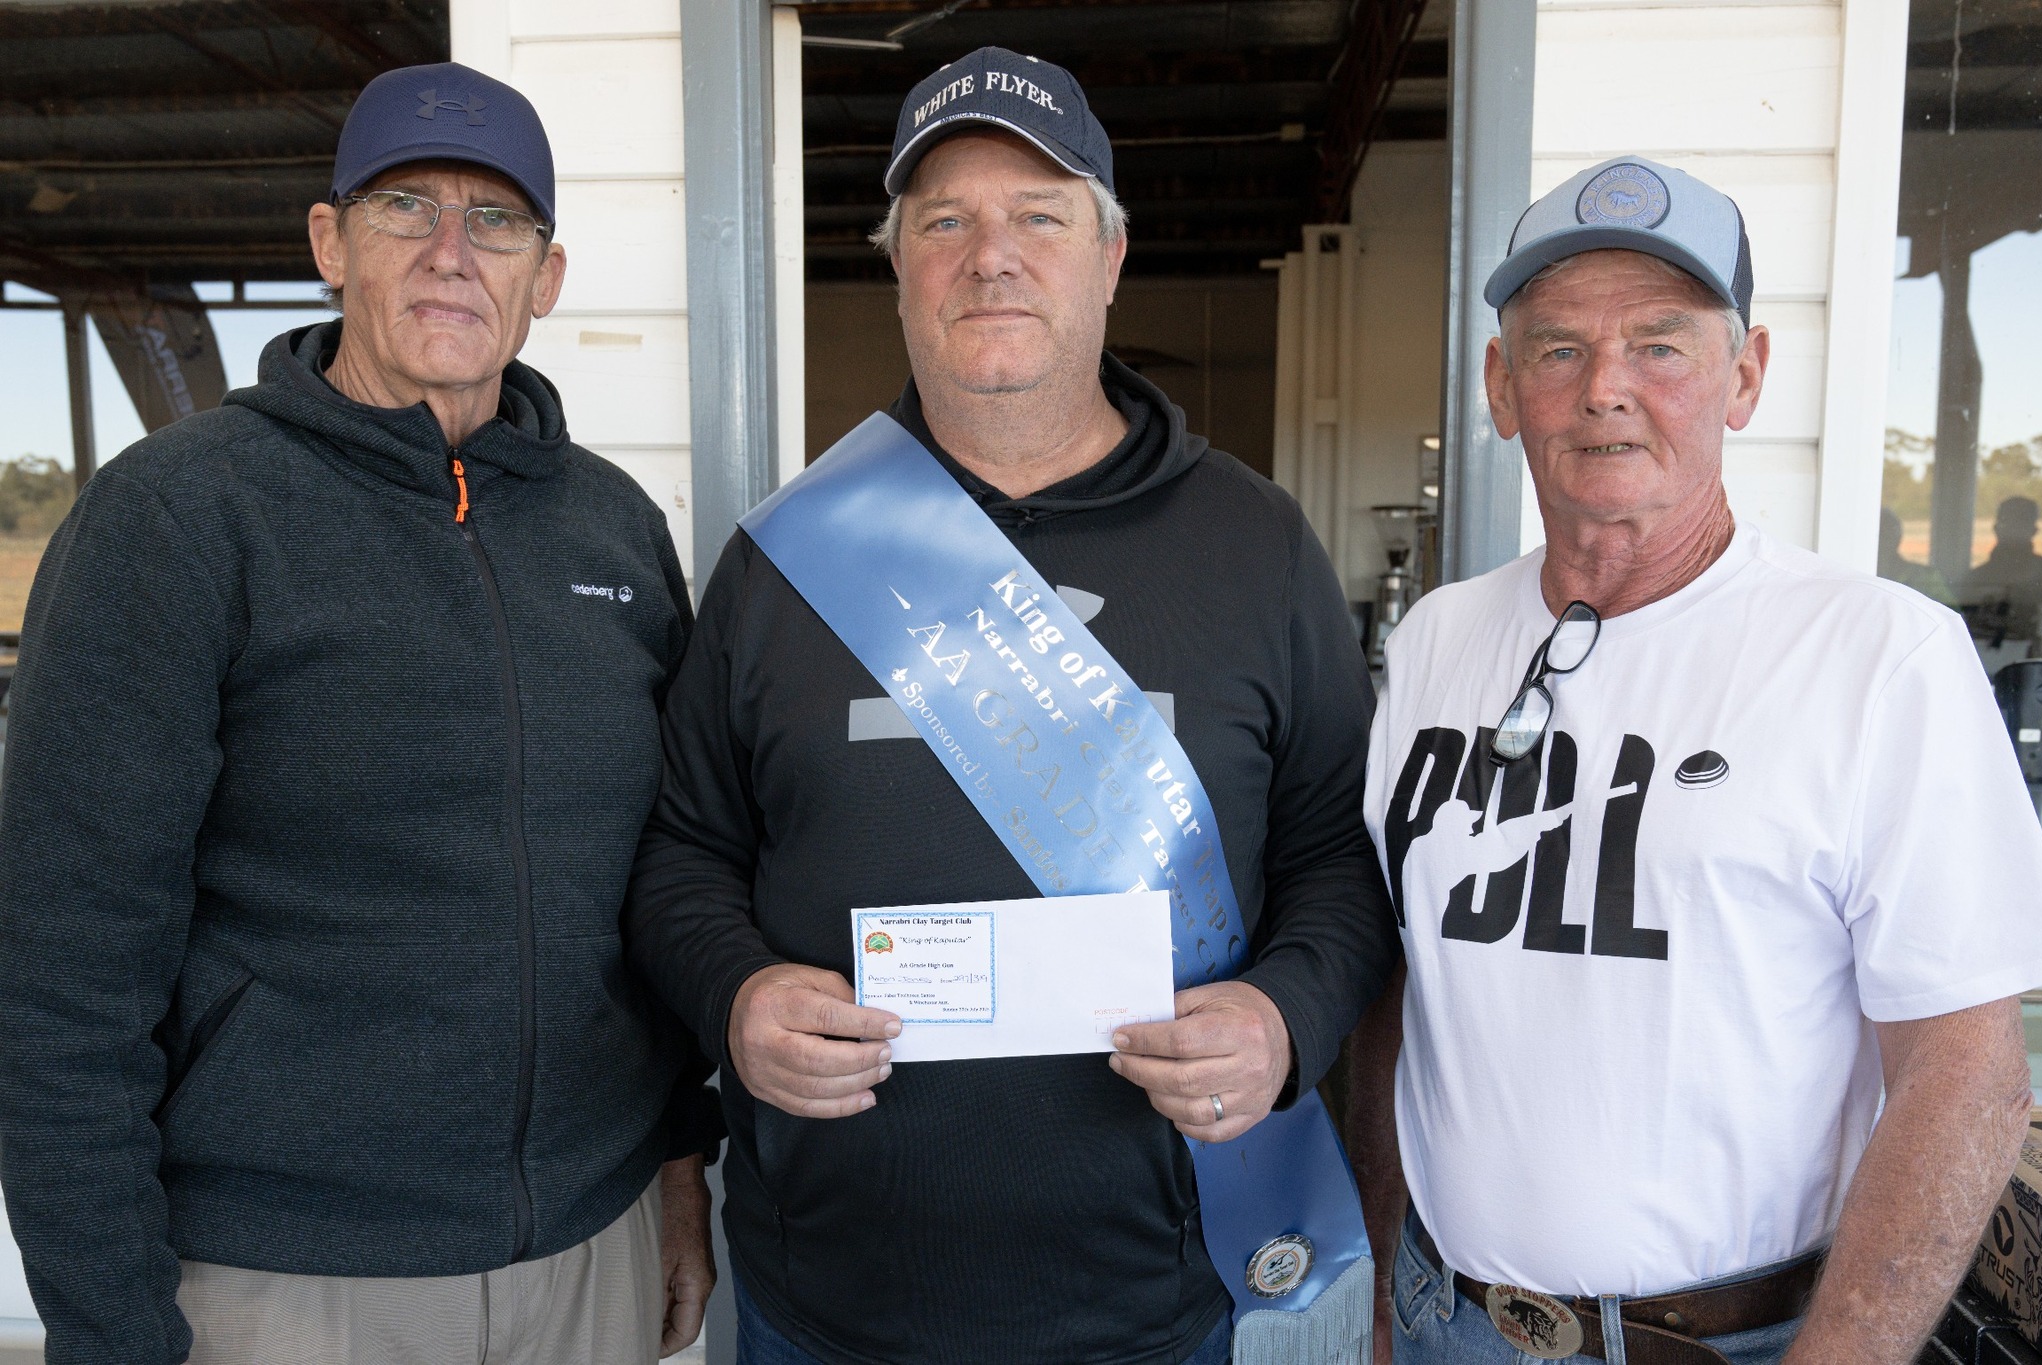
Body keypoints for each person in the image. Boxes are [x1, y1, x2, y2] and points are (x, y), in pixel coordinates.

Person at [627, 46, 1400, 1365]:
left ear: (1107, 258)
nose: (991, 254)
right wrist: (739, 994)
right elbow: (681, 854)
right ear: (901, 266)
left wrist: (1282, 1019)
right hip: (823, 1304)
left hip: (1156, 1304)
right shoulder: (786, 556)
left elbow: (1339, 862)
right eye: (946, 221)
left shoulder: (1258, 545)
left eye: (1039, 215)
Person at [0, 62, 720, 1365]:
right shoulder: (181, 518)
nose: (453, 253)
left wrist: (678, 1161)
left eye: (496, 221)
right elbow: (61, 966)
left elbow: (649, 876)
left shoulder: (611, 525)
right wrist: (109, 1325)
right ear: (331, 242)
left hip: (587, 1254)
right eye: (406, 207)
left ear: (546, 276)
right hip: (284, 1282)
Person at [1350, 156, 2042, 1365]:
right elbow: (1395, 991)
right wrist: (1375, 1290)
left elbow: (1963, 1070)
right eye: (1556, 348)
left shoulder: (1879, 657)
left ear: (1745, 377)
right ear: (1499, 386)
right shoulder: (1436, 641)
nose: (1603, 389)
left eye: (1660, 346)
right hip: (1441, 1319)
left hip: (1743, 1342)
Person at [1960, 495, 2042, 630]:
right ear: (1996, 528)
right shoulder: (1975, 579)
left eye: (2021, 524)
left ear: (2034, 530)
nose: (2015, 532)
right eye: (2010, 524)